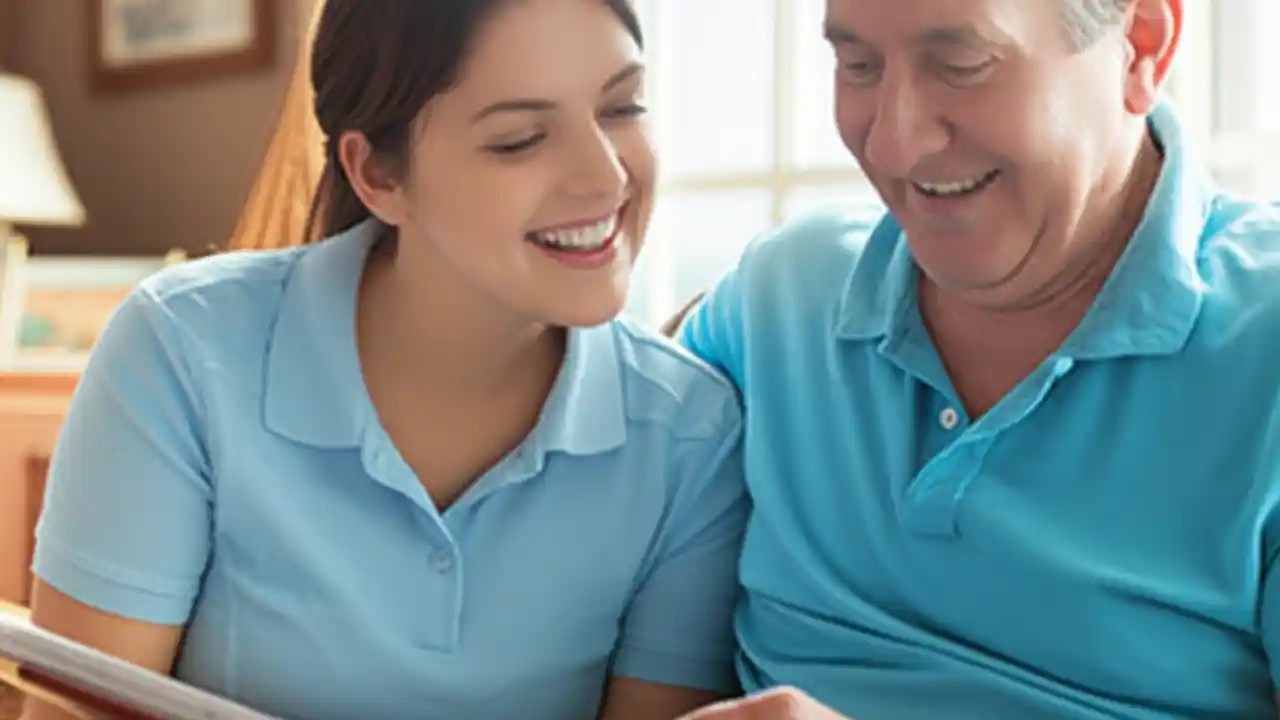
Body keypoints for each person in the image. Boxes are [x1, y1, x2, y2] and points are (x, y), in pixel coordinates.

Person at [24, 1, 748, 718]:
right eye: (521, 139)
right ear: (377, 176)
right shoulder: (181, 352)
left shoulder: (691, 435)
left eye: (623, 107)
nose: (606, 178)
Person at [672, 0, 1280, 717]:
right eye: (857, 65)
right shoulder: (776, 304)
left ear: (1142, 44)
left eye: (962, 66)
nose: (895, 144)